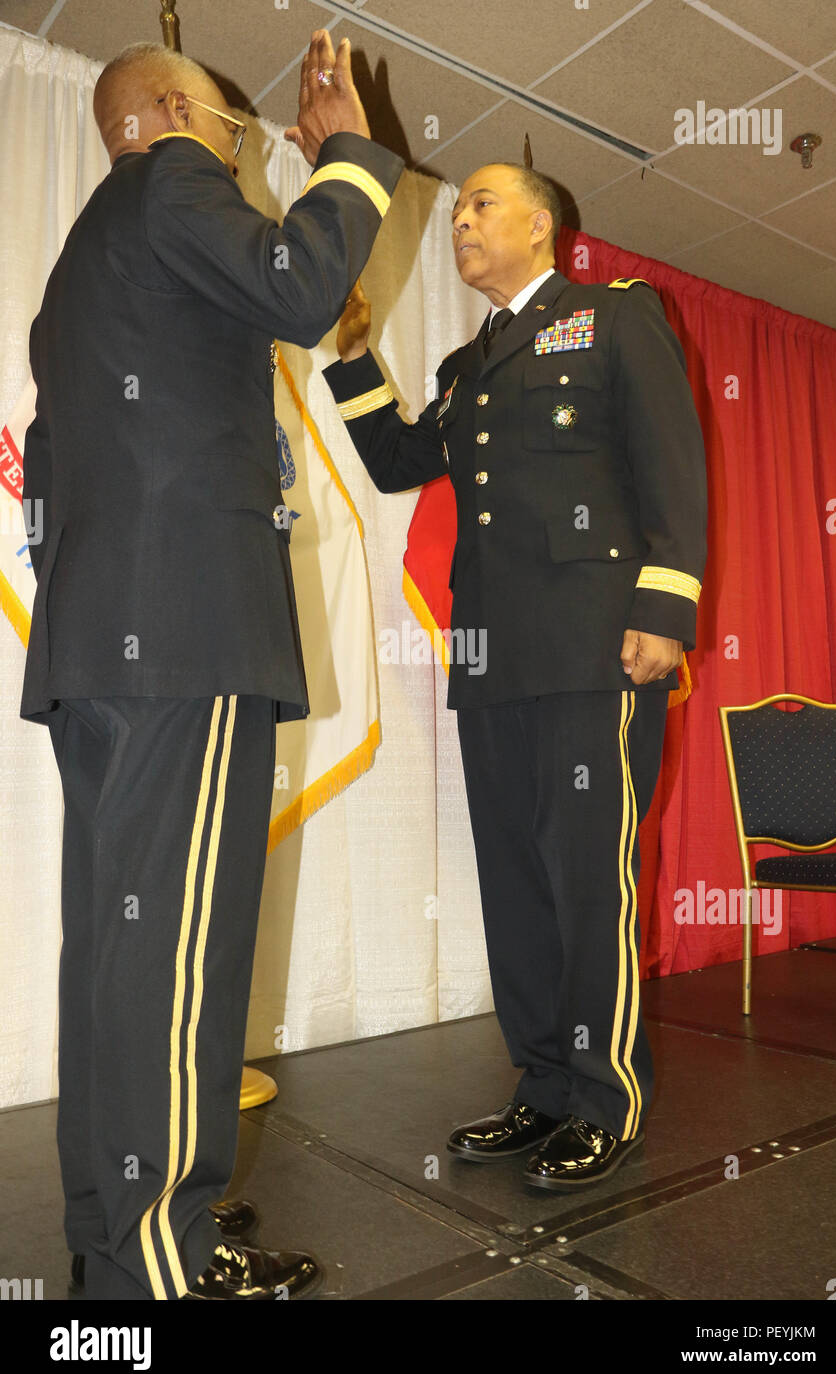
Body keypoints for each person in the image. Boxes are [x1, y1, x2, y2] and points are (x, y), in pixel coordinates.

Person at [20, 32, 402, 1299]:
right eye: (233, 126)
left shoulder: (79, 267)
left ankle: (116, 1255)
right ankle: (151, 1278)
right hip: (180, 640)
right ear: (178, 113)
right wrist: (347, 150)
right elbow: (298, 287)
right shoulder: (171, 186)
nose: (243, 145)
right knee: (175, 964)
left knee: (122, 960)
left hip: (110, 651)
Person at [323, 163, 707, 1190]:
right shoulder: (467, 364)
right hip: (492, 659)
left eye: (479, 204)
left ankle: (603, 1093)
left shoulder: (614, 319)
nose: (460, 220)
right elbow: (403, 461)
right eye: (454, 210)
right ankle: (542, 1082)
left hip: (596, 649)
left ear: (543, 224)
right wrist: (354, 356)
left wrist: (663, 608)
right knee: (517, 882)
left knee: (587, 874)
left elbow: (671, 456)